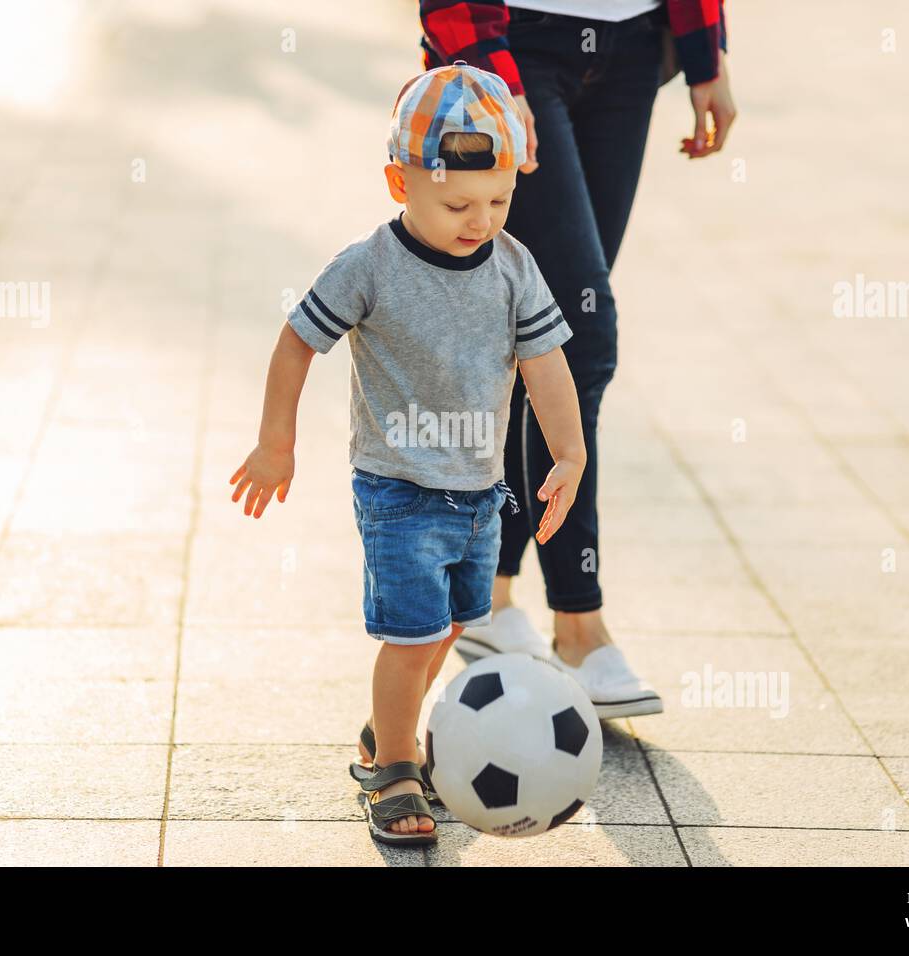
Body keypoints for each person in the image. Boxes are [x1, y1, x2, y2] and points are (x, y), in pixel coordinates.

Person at [228, 62, 586, 845]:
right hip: (398, 491)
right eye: (458, 203)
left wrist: (568, 451)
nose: (480, 219)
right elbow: (296, 342)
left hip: (479, 492)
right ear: (400, 181)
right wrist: (274, 442)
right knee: (414, 636)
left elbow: (547, 363)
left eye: (498, 200)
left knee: (456, 623)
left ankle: (381, 733)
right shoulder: (370, 267)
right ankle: (392, 769)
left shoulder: (514, 268)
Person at [416, 1, 737, 718]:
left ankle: (488, 596)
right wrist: (498, 80)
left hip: (633, 47)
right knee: (576, 340)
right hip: (516, 42)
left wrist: (706, 54)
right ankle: (578, 624)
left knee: (546, 332)